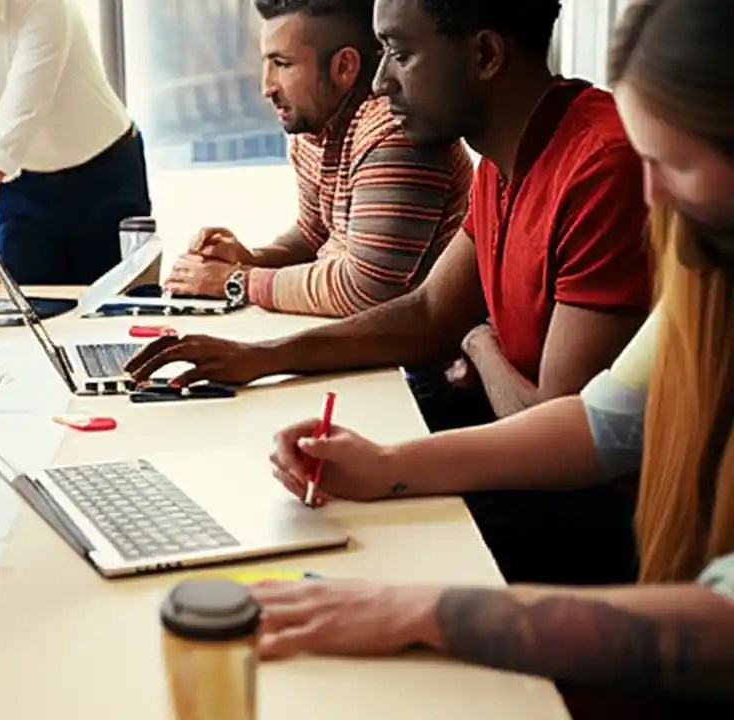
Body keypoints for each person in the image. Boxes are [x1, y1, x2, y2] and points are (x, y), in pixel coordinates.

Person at [253, 3, 734, 713]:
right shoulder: (706, 274)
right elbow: (601, 424)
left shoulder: (601, 165)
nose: (651, 196)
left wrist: (428, 612)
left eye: (674, 164)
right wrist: (388, 466)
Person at [130, 0, 653, 584]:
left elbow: (561, 426)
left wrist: (478, 341)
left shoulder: (599, 164)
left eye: (400, 55)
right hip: (513, 467)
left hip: (577, 524)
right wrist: (260, 358)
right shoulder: (507, 158)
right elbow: (430, 311)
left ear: (484, 55)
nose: (380, 83)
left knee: (313, 547)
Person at [163, 0, 472, 318]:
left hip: (420, 356)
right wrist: (252, 259)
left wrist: (236, 281)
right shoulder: (314, 128)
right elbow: (313, 234)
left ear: (344, 67)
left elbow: (366, 290)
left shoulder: (394, 132)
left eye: (282, 64)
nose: (266, 86)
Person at [0, 0, 151, 287]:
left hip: (104, 175)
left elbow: (14, 130)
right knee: (27, 314)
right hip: (21, 183)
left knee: (114, 315)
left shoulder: (44, 6)